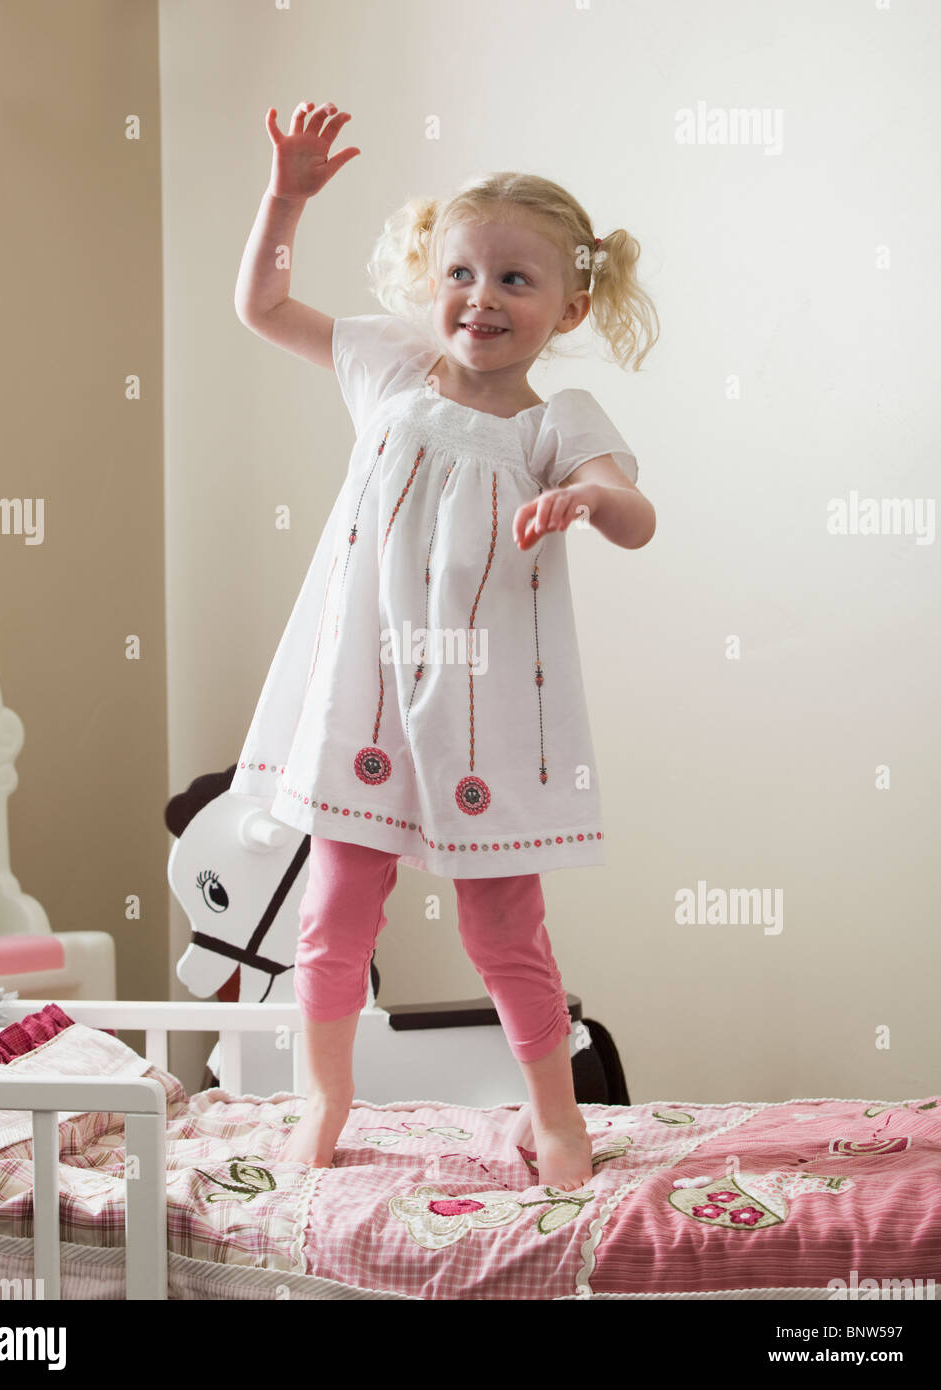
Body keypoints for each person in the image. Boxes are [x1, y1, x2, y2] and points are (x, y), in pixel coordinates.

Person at [229, 100, 658, 1190]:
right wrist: (286, 198)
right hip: (365, 702)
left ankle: (555, 1118)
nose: (482, 299)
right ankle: (325, 1096)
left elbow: (632, 506)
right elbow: (262, 304)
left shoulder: (556, 421)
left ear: (574, 301)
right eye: (463, 274)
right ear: (433, 280)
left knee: (507, 929)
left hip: (486, 716)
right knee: (331, 914)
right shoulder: (388, 369)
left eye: (517, 280)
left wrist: (585, 506)